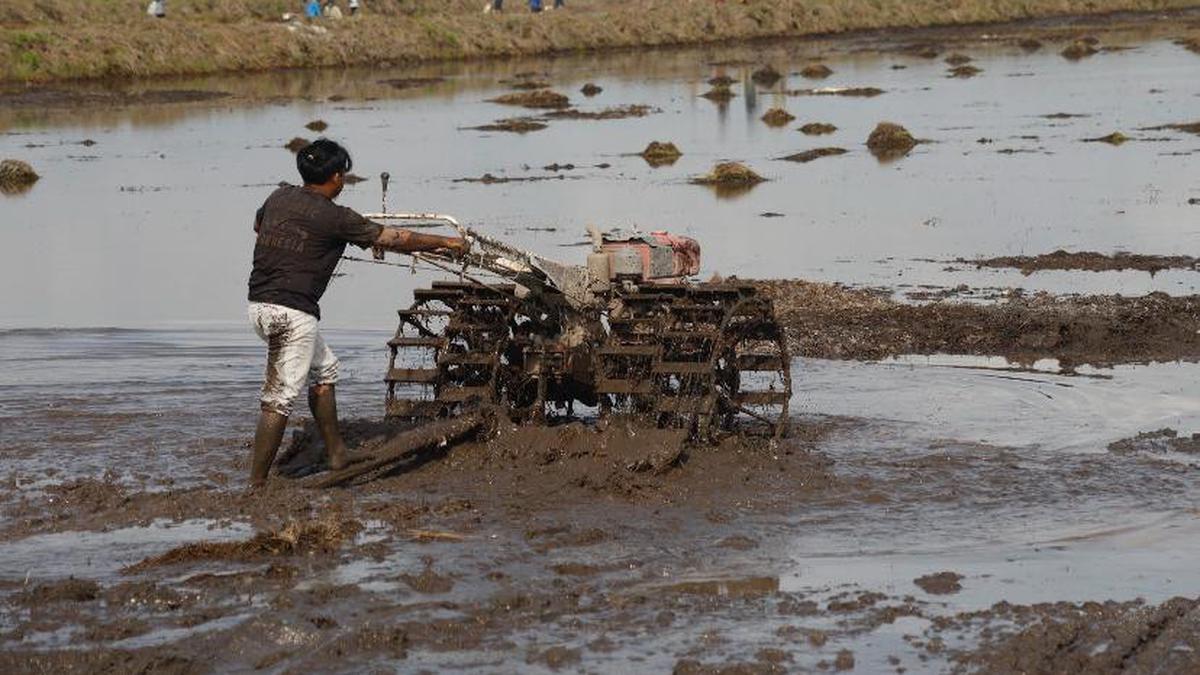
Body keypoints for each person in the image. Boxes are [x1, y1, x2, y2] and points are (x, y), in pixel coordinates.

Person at [246, 139, 467, 487]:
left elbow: (259, 227)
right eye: (343, 176)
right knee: (279, 396)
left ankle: (337, 454)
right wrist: (446, 242)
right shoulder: (336, 217)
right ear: (336, 177)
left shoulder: (279, 197)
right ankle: (256, 484)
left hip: (259, 305)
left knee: (325, 369)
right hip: (291, 313)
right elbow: (394, 238)